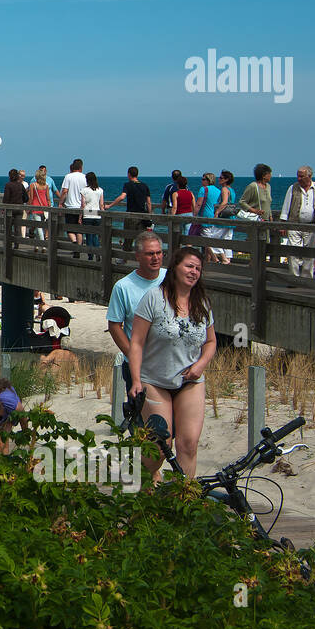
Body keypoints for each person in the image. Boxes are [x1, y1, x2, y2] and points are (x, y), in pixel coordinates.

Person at [127, 246, 216, 480]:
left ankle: (185, 497)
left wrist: (201, 365)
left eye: (198, 268)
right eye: (189, 266)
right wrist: (135, 380)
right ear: (175, 267)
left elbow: (210, 341)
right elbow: (136, 342)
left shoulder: (202, 303)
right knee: (160, 446)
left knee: (188, 444)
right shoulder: (154, 298)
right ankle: (141, 485)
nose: (193, 272)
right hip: (155, 380)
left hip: (190, 382)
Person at [106, 231, 167, 397]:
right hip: (139, 367)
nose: (155, 258)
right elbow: (114, 325)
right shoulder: (123, 287)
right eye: (149, 254)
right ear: (138, 256)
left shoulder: (171, 278)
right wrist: (133, 355)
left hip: (169, 364)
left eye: (159, 252)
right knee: (143, 419)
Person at [279, 165, 315, 279]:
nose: (299, 179)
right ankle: (294, 278)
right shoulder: (292, 188)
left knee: (309, 253)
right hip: (294, 224)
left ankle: (307, 278)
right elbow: (286, 207)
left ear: (309, 176)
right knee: (293, 252)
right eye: (298, 176)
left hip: (311, 225)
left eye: (301, 176)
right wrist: (283, 224)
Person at [109, 166, 153, 252]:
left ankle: (125, 259)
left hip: (131, 216)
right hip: (143, 216)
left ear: (129, 174)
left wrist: (110, 205)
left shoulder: (128, 185)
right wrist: (149, 215)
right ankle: (141, 260)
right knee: (141, 240)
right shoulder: (144, 186)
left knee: (128, 239)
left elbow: (122, 197)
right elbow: (149, 202)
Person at [59, 159, 87, 249]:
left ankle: (74, 244)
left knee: (69, 229)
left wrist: (60, 203)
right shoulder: (85, 177)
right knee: (79, 230)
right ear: (81, 167)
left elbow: (64, 191)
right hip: (82, 207)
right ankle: (78, 247)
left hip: (70, 206)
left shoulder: (68, 177)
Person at [195, 172, 222, 260]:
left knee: (206, 240)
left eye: (203, 179)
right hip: (214, 216)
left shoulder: (203, 189)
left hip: (205, 216)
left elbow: (199, 204)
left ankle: (215, 259)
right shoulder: (218, 190)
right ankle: (207, 261)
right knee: (210, 239)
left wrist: (194, 215)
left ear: (208, 180)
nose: (202, 181)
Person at [80, 171, 104, 258]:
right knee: (95, 236)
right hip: (97, 215)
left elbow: (83, 205)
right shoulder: (100, 190)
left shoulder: (84, 190)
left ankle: (90, 256)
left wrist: (80, 216)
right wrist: (103, 215)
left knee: (88, 236)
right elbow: (101, 204)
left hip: (87, 214)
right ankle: (97, 254)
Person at [27, 169, 51, 241]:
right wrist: (49, 207)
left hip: (36, 208)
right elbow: (48, 198)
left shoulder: (32, 185)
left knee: (39, 227)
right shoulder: (46, 186)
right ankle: (37, 245)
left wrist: (28, 208)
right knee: (41, 226)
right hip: (45, 207)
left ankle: (43, 244)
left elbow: (31, 198)